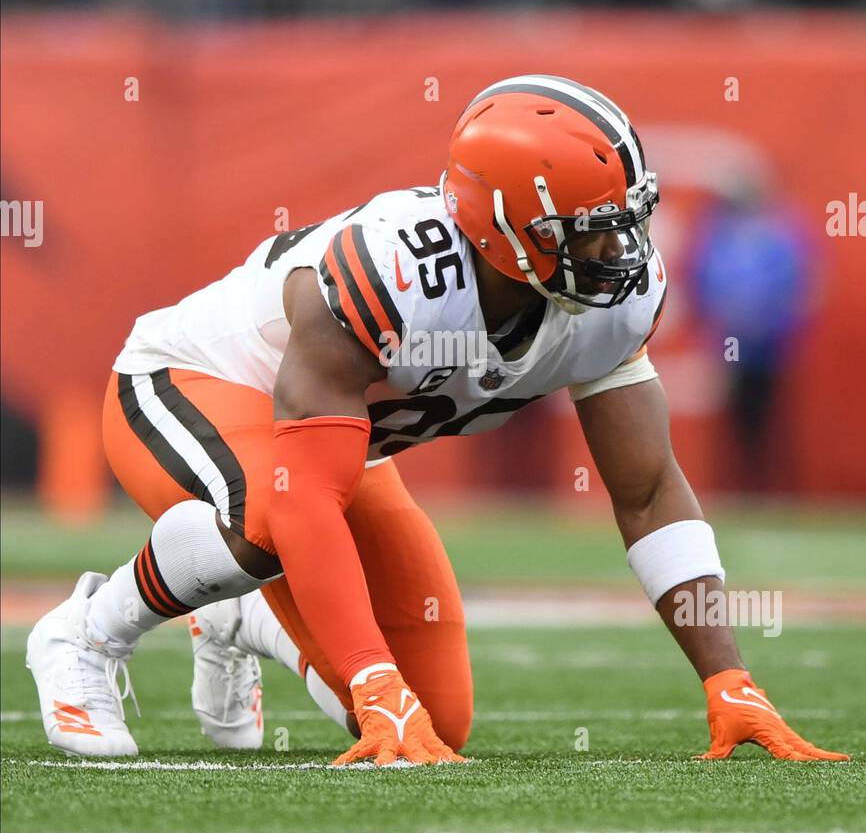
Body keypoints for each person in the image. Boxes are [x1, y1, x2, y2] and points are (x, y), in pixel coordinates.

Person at [26, 76, 848, 766]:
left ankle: (237, 611)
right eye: (593, 232)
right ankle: (86, 633)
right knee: (282, 534)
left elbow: (647, 490)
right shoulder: (390, 273)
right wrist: (371, 679)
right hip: (188, 383)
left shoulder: (607, 300)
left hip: (331, 449)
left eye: (624, 224)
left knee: (438, 722)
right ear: (506, 231)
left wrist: (726, 676)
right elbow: (306, 499)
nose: (621, 252)